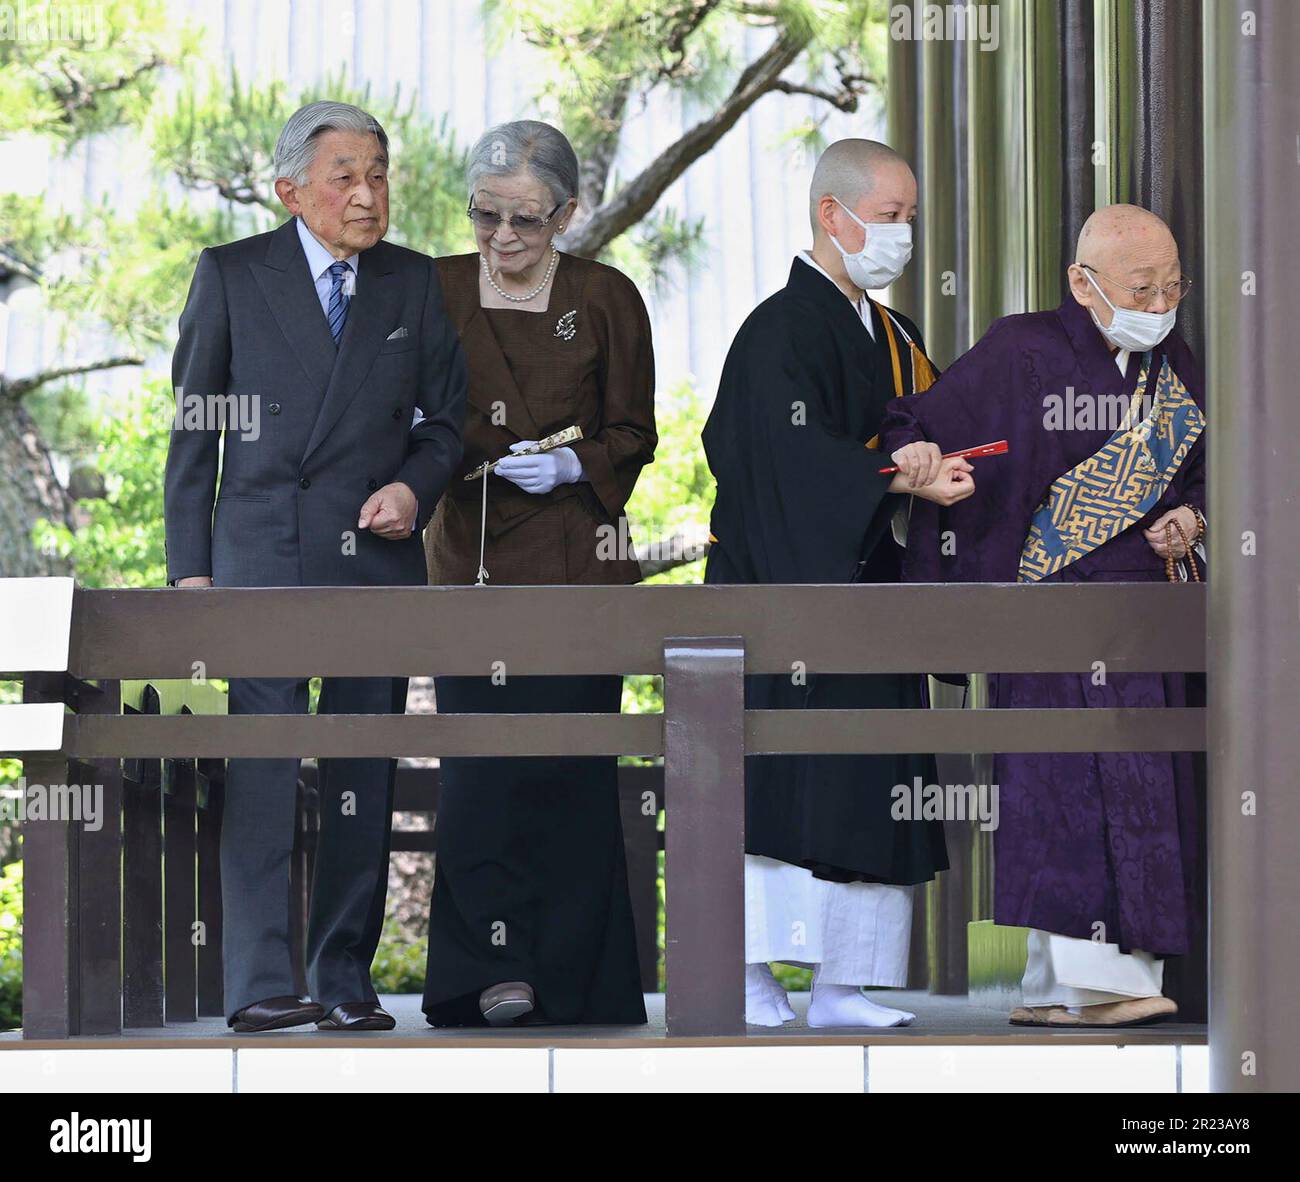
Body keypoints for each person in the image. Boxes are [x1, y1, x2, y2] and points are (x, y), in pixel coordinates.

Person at [164, 101, 466, 1032]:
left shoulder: (413, 283)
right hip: (258, 557)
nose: (368, 194)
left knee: (359, 769)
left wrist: (415, 490)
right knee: (260, 766)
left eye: (378, 173)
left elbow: (447, 423)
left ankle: (344, 979)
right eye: (346, 176)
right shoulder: (231, 274)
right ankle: (258, 982)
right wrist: (190, 575)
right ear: (290, 187)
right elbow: (194, 431)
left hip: (372, 561)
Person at [881, 203, 1205, 1027]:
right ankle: (1100, 984)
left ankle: (1055, 988)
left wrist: (1191, 517)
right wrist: (921, 464)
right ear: (1083, 284)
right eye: (1143, 286)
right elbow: (920, 428)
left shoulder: (1178, 366)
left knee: (1137, 790)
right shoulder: (1021, 349)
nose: (1160, 302)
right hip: (1054, 605)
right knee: (1062, 788)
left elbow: (1209, 470)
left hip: (1143, 614)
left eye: (1173, 286)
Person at [702, 139, 973, 1028]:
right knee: (780, 790)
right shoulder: (777, 331)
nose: (902, 235)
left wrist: (946, 467)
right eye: (891, 216)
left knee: (869, 787)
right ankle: (747, 978)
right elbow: (771, 461)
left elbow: (932, 426)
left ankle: (842, 986)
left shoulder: (894, 335)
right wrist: (890, 476)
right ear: (834, 214)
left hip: (874, 595)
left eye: (908, 219)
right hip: (787, 599)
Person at [421, 120, 656, 1027]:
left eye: (527, 220)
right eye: (486, 217)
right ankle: (489, 970)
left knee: (570, 766)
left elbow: (635, 432)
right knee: (480, 773)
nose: (504, 239)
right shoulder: (434, 285)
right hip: (470, 557)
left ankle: (578, 976)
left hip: (576, 564)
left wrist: (573, 465)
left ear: (567, 212)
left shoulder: (605, 296)